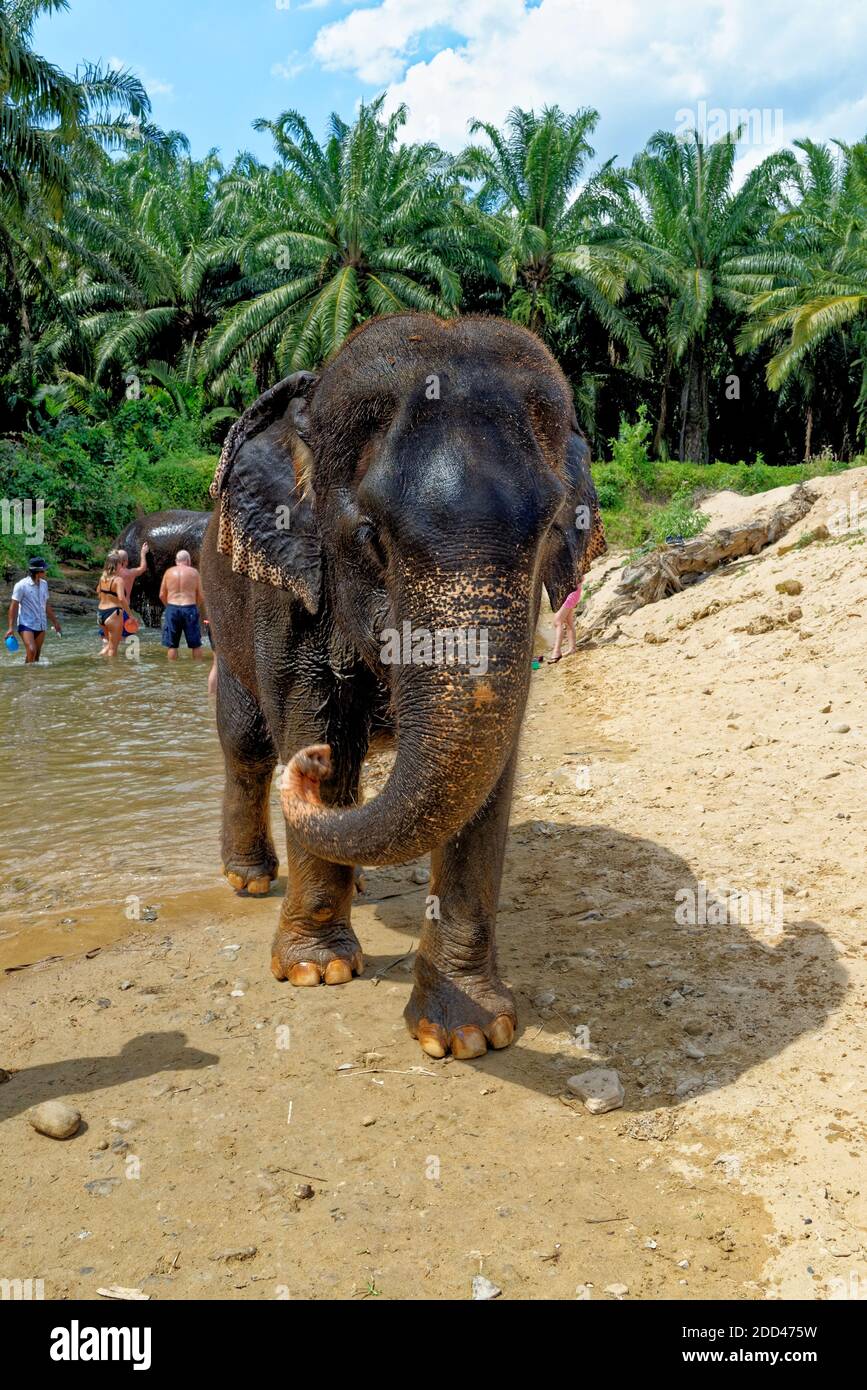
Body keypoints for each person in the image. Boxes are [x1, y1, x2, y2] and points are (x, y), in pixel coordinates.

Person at [5, 557, 62, 663]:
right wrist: (10, 628)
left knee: (36, 656)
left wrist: (55, 622)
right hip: (26, 624)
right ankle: (28, 677)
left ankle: (32, 676)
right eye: (44, 570)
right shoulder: (21, 585)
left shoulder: (44, 584)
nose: (46, 571)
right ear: (37, 572)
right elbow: (13, 606)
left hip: (41, 624)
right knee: (31, 650)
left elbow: (46, 605)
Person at [159, 549, 207, 661]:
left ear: (176, 561)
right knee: (196, 644)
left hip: (172, 608)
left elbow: (161, 595)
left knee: (172, 645)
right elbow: (201, 595)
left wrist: (169, 607)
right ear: (188, 561)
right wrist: (196, 606)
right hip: (189, 608)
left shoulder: (168, 572)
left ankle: (172, 672)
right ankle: (196, 668)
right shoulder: (194, 573)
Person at [96, 550, 127, 657]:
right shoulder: (118, 580)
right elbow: (122, 599)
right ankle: (112, 672)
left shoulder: (102, 577)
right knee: (113, 649)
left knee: (109, 645)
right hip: (113, 614)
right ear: (117, 564)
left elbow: (98, 592)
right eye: (120, 564)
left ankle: (98, 659)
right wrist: (131, 615)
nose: (121, 566)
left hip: (100, 614)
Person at [547, 582, 583, 663]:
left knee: (557, 621)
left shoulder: (574, 570)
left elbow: (579, 577)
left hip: (571, 594)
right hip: (570, 593)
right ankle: (572, 648)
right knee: (568, 622)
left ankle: (557, 651)